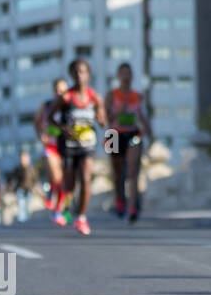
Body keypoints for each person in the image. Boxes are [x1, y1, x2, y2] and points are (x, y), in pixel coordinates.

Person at [55, 58, 107, 236]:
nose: (79, 75)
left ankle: (82, 218)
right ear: (71, 75)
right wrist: (63, 129)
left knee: (85, 178)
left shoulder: (94, 97)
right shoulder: (66, 97)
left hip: (87, 144)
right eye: (76, 72)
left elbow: (103, 119)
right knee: (69, 183)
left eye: (83, 71)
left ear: (88, 74)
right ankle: (66, 209)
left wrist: (101, 119)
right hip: (69, 145)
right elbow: (49, 117)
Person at [107, 62, 154, 223]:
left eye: (128, 73)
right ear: (118, 76)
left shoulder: (137, 96)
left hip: (133, 133)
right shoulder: (112, 95)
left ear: (132, 76)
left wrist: (150, 133)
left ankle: (133, 207)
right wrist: (120, 111)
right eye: (123, 73)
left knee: (133, 171)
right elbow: (106, 118)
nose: (126, 76)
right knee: (117, 173)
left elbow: (142, 115)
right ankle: (119, 200)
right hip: (113, 134)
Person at [34, 78, 69, 222]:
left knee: (63, 180)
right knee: (55, 175)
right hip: (50, 146)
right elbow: (37, 122)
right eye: (57, 90)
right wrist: (41, 136)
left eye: (63, 90)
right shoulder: (47, 106)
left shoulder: (69, 106)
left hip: (66, 146)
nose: (60, 93)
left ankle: (59, 209)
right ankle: (49, 190)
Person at [8, 151, 40, 225]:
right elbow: (12, 178)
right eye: (22, 158)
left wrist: (36, 187)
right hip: (20, 189)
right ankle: (22, 220)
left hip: (29, 189)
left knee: (28, 205)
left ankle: (27, 220)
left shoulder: (31, 169)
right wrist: (11, 185)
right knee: (21, 204)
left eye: (25, 158)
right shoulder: (18, 169)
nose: (23, 160)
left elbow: (35, 179)